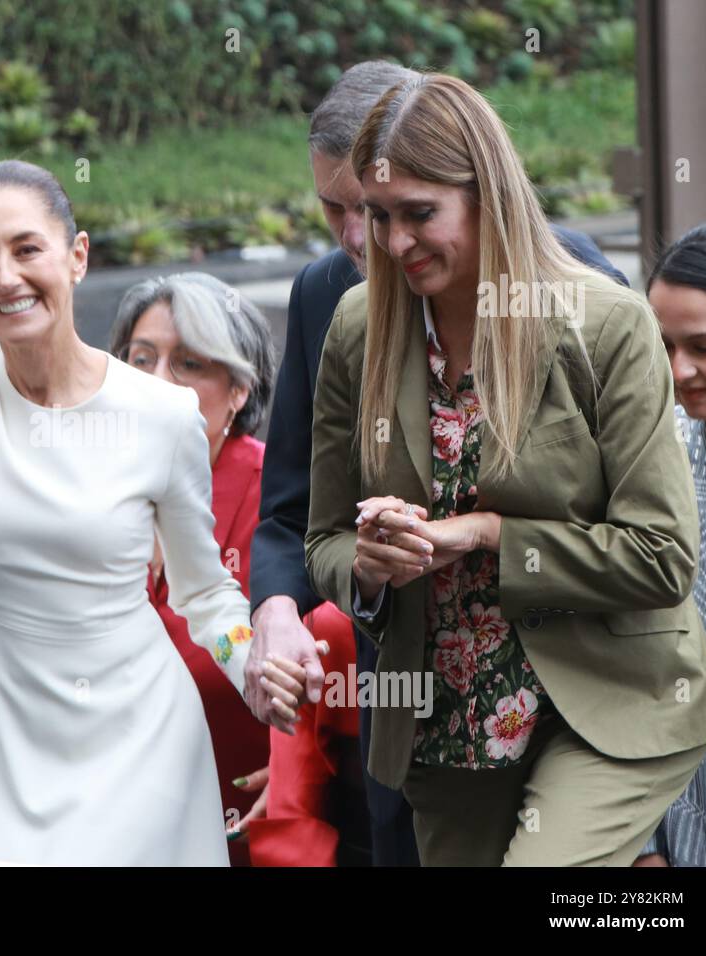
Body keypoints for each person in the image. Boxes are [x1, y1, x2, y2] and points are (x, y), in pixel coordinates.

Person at [0, 130, 322, 865]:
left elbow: (205, 593)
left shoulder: (162, 414)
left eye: (27, 249)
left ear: (77, 256)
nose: (6, 276)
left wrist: (254, 673)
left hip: (139, 743)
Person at [306, 72, 706, 865]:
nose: (393, 243)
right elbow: (324, 539)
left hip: (611, 702)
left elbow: (663, 555)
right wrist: (367, 568)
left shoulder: (605, 325)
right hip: (449, 724)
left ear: (486, 194)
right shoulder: (357, 327)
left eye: (420, 214)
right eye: (377, 215)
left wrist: (486, 534)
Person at [250, 60, 629, 866]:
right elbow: (293, 510)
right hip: (406, 693)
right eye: (339, 210)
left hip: (573, 692)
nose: (367, 240)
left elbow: (643, 530)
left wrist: (483, 531)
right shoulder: (326, 296)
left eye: (385, 209)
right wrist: (276, 614)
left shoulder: (574, 284)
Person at [109, 271, 276, 865]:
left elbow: (327, 665)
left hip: (245, 826)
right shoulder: (85, 495)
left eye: (188, 364)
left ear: (237, 389)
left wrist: (298, 769)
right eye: (142, 359)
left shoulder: (278, 503)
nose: (157, 382)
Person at [643, 218, 706, 867]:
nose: (680, 370)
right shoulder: (650, 451)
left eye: (704, 346)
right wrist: (641, 846)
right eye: (665, 345)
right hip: (686, 800)